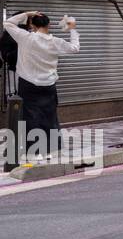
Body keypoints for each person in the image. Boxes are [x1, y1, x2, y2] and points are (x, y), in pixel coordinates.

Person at [3, 10, 79, 161]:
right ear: (49, 24)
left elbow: (8, 23)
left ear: (32, 25)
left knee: (30, 117)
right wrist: (73, 29)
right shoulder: (56, 42)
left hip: (28, 84)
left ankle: (34, 152)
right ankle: (49, 151)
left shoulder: (25, 37)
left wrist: (27, 13)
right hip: (49, 84)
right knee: (49, 116)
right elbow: (75, 48)